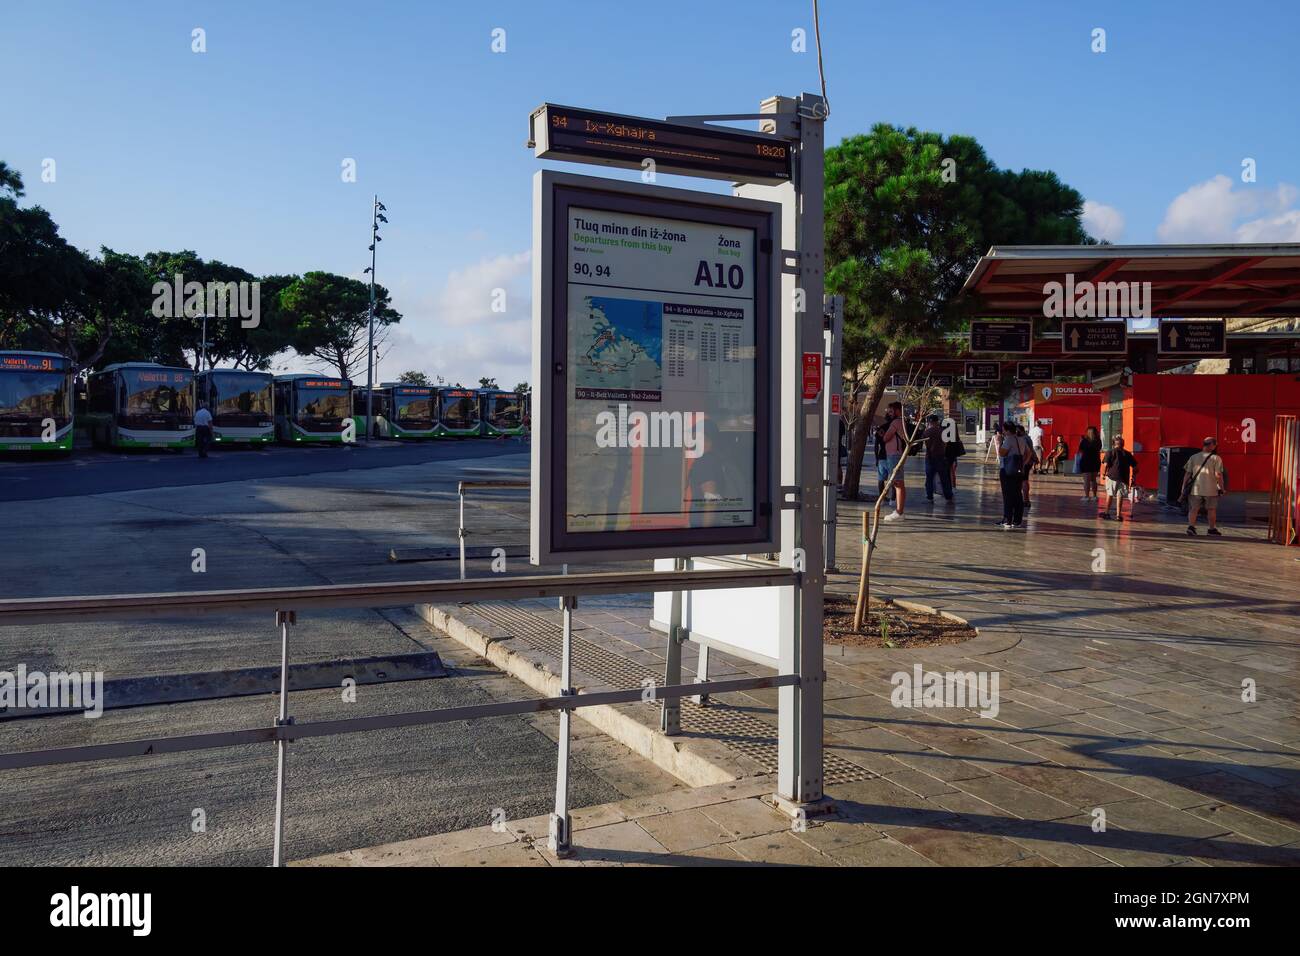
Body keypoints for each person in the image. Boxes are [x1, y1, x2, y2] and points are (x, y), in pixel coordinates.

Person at [1180, 436, 1225, 536]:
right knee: (1211, 509)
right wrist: (1222, 488)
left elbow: (1187, 474)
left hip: (1195, 489)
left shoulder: (1194, 457)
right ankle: (1211, 529)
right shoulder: (1216, 458)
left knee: (1194, 509)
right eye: (1215, 445)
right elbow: (1218, 475)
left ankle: (1191, 527)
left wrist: (1183, 487)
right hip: (1211, 489)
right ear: (1212, 446)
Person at [996, 421, 1028, 528]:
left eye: (1004, 430)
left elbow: (1002, 453)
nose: (1003, 432)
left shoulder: (1009, 440)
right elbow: (1029, 453)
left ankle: (1007, 519)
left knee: (1007, 495)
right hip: (1018, 470)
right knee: (1017, 494)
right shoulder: (1021, 439)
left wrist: (999, 442)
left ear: (1008, 430)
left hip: (1007, 470)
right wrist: (1023, 463)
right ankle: (1017, 520)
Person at [881, 401, 909, 521]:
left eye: (891, 411)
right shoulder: (901, 422)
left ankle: (899, 512)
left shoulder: (896, 422)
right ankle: (898, 510)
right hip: (896, 454)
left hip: (894, 455)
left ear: (898, 411)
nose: (889, 413)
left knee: (898, 483)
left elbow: (886, 437)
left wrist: (883, 434)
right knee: (897, 483)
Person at [1099, 435, 1138, 521]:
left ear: (1114, 444)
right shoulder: (1127, 454)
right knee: (1120, 496)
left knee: (1110, 494)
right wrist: (1133, 477)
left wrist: (1103, 474)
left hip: (1112, 477)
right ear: (1123, 445)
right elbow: (1135, 467)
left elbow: (1105, 465)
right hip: (1124, 478)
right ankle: (1118, 515)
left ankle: (1106, 513)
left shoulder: (1110, 452)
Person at [922, 414, 954, 503]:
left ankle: (929, 497)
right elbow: (946, 443)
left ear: (929, 422)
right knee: (944, 478)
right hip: (940, 457)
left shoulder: (926, 432)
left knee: (929, 478)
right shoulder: (942, 432)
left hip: (929, 457)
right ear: (937, 421)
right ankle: (948, 496)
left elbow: (924, 443)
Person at [1077, 426, 1102, 502]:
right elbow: (1099, 448)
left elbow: (1080, 450)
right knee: (1093, 480)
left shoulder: (1084, 441)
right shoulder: (1098, 441)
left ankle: (1086, 496)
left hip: (1086, 461)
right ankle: (1094, 496)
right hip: (1095, 461)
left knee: (1086, 480)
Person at [1017, 424, 1037, 512]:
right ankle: (1026, 499)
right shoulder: (1028, 437)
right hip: (1029, 461)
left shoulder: (1023, 439)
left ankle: (1025, 500)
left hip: (1025, 462)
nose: (1016, 433)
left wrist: (1023, 463)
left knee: (1023, 480)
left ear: (1021, 431)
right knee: (1025, 480)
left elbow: (1026, 452)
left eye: (1017, 431)